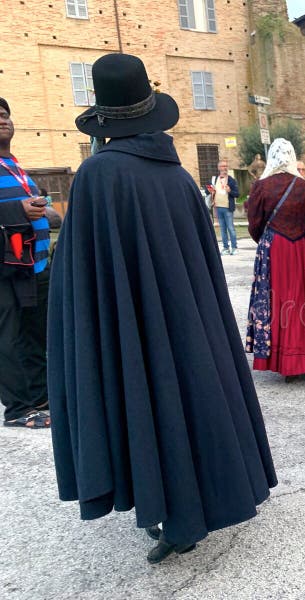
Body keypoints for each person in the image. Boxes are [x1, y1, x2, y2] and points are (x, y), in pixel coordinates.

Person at [48, 53, 278, 564]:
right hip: (188, 321)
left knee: (149, 396)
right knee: (190, 397)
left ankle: (175, 512)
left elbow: (85, 274)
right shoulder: (177, 178)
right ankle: (194, 502)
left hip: (135, 322)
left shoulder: (99, 176)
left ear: (104, 119)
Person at [245, 138, 305, 381]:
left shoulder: (261, 187)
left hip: (274, 249)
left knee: (276, 301)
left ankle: (281, 359)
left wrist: (267, 239)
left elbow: (254, 223)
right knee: (303, 301)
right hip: (302, 247)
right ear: (291, 156)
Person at [0, 96, 51, 429]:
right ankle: (18, 408)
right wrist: (19, 212)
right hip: (7, 268)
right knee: (10, 335)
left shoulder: (16, 166)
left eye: (5, 114)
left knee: (34, 332)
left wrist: (52, 215)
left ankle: (39, 396)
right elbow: (16, 211)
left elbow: (35, 208)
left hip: (33, 266)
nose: (3, 119)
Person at [211, 159, 239, 255]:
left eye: (226, 166)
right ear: (219, 168)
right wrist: (211, 191)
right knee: (222, 229)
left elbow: (237, 194)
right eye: (222, 166)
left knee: (230, 228)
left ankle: (234, 247)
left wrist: (230, 191)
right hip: (218, 207)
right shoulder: (215, 179)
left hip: (227, 208)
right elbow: (209, 191)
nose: (224, 168)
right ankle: (225, 248)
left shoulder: (231, 180)